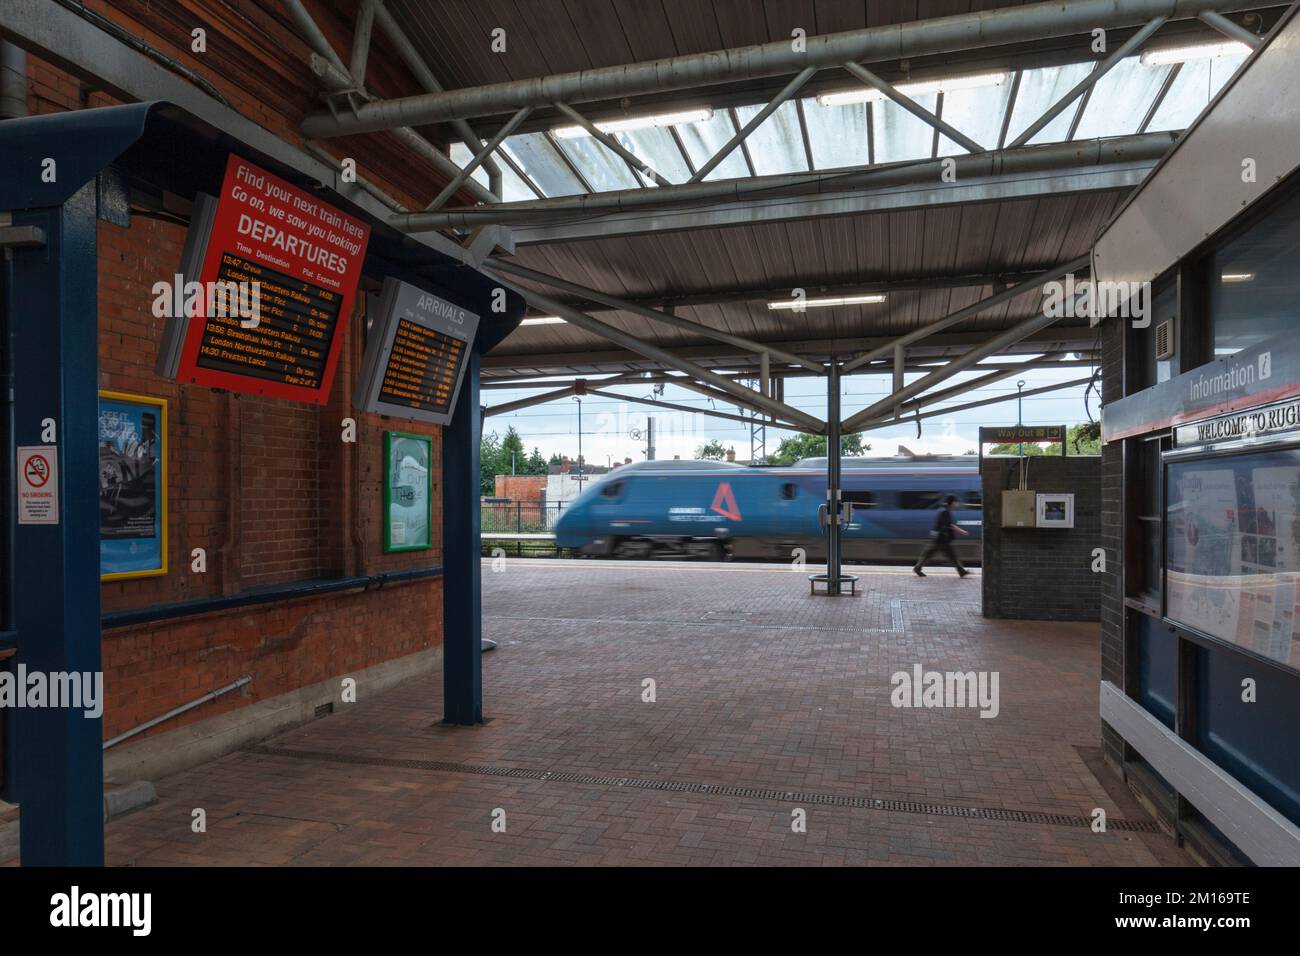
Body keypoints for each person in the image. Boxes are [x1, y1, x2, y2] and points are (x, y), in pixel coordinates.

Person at [914, 495, 970, 577]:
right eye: (956, 503)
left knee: (933, 554)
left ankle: (961, 570)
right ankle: (961, 570)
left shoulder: (943, 510)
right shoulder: (945, 511)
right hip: (942, 538)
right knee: (947, 554)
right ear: (952, 502)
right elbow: (950, 525)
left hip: (940, 537)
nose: (956, 504)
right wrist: (962, 531)